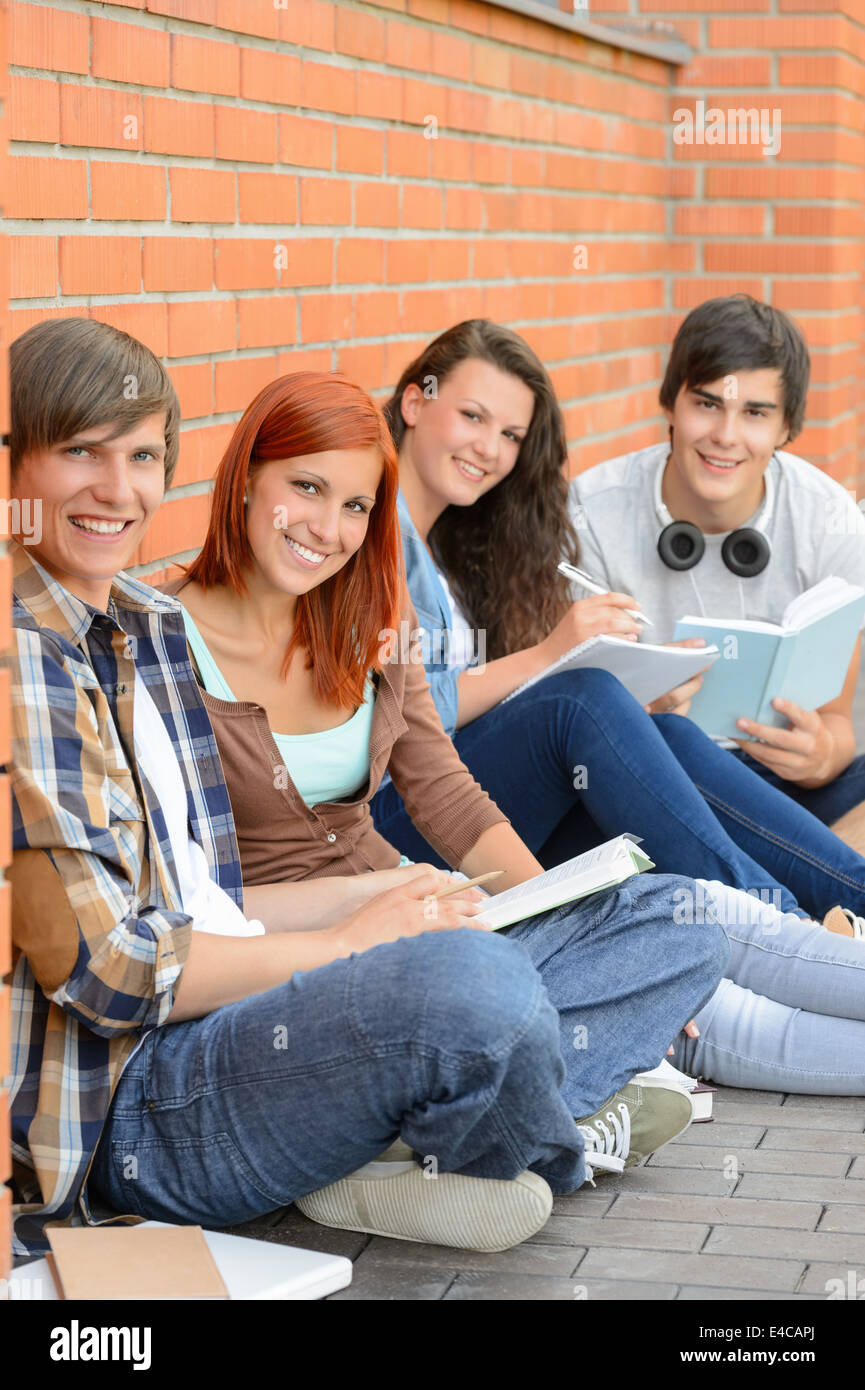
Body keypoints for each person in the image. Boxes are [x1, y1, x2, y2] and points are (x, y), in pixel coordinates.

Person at [5, 318, 725, 1259]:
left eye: (141, 456)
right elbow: (109, 972)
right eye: (80, 453)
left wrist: (387, 896)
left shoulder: (139, 630)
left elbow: (204, 901)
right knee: (476, 987)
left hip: (252, 1010)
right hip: (133, 1109)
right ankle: (538, 1131)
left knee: (678, 916)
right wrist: (347, 940)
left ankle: (403, 1138)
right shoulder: (33, 662)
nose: (117, 488)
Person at [366, 316, 865, 1093]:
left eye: (509, 434)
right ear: (412, 402)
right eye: (471, 417)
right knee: (583, 702)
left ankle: (792, 932)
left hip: (470, 817)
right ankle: (791, 930)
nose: (488, 449)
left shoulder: (449, 543)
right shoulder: (368, 527)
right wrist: (551, 658)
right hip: (400, 829)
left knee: (651, 769)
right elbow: (408, 714)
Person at [571, 293, 865, 830]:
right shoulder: (590, 512)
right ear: (672, 404)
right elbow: (573, 719)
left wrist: (821, 756)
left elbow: (838, 723)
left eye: (755, 413)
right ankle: (821, 901)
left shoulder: (831, 520)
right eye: (707, 404)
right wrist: (637, 714)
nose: (725, 436)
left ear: (785, 429)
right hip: (654, 781)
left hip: (783, 784)